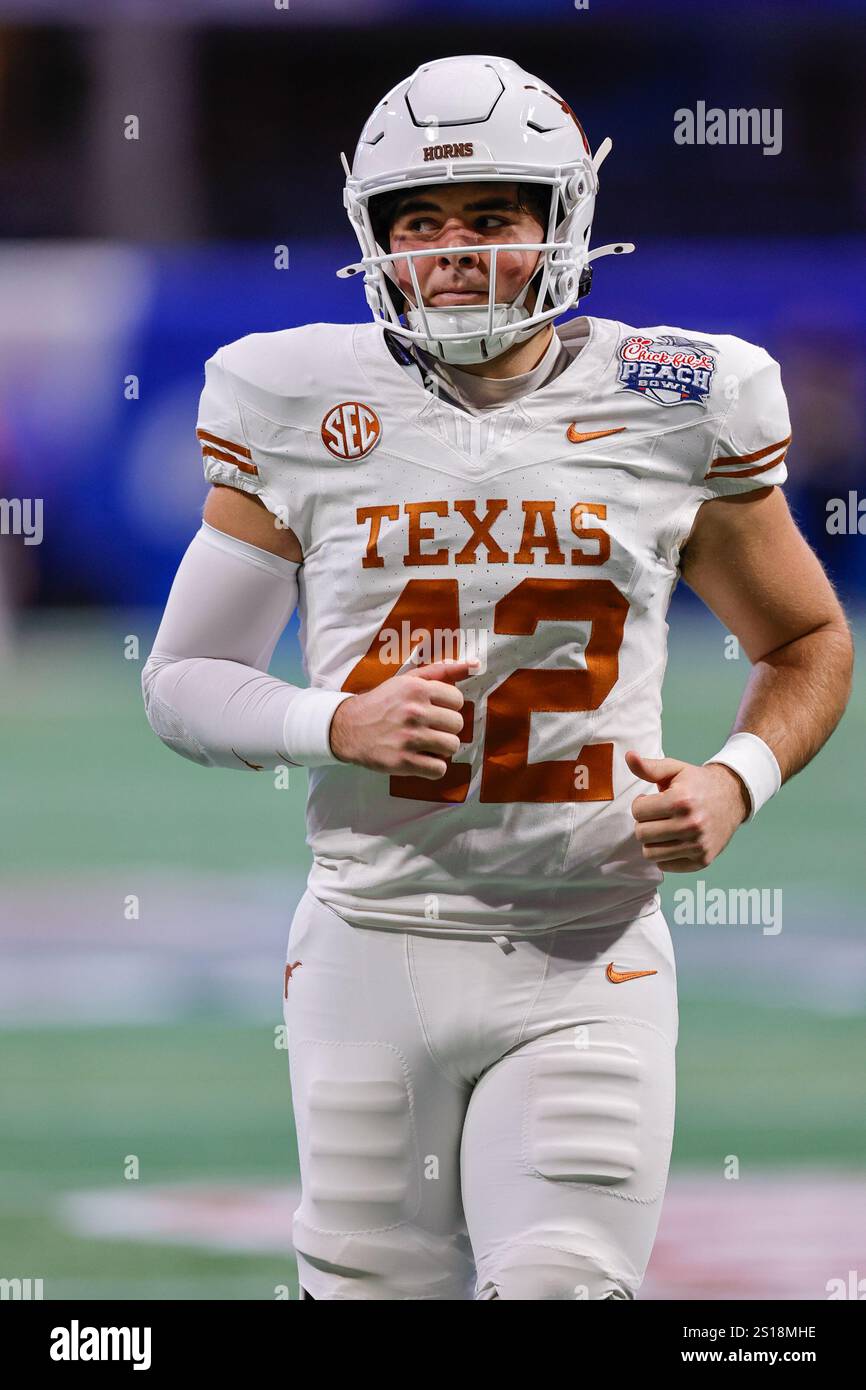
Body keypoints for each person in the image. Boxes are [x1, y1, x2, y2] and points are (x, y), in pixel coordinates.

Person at [141, 55, 852, 1300]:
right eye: (419, 221)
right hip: (372, 937)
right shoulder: (297, 396)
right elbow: (183, 677)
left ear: (560, 223)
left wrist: (737, 780)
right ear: (374, 237)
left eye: (490, 217)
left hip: (588, 950)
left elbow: (806, 641)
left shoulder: (679, 395)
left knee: (567, 1289)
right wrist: (332, 719)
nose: (451, 251)